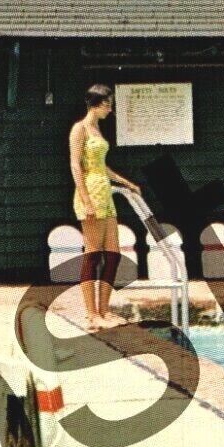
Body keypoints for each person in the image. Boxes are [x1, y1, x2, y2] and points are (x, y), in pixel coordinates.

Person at [69, 84, 142, 329]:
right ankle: (92, 315)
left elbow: (102, 166)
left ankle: (104, 310)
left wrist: (126, 182)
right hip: (89, 193)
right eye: (107, 104)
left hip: (105, 195)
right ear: (96, 104)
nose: (110, 109)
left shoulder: (97, 129)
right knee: (92, 255)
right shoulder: (79, 129)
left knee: (113, 254)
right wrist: (86, 200)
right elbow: (76, 166)